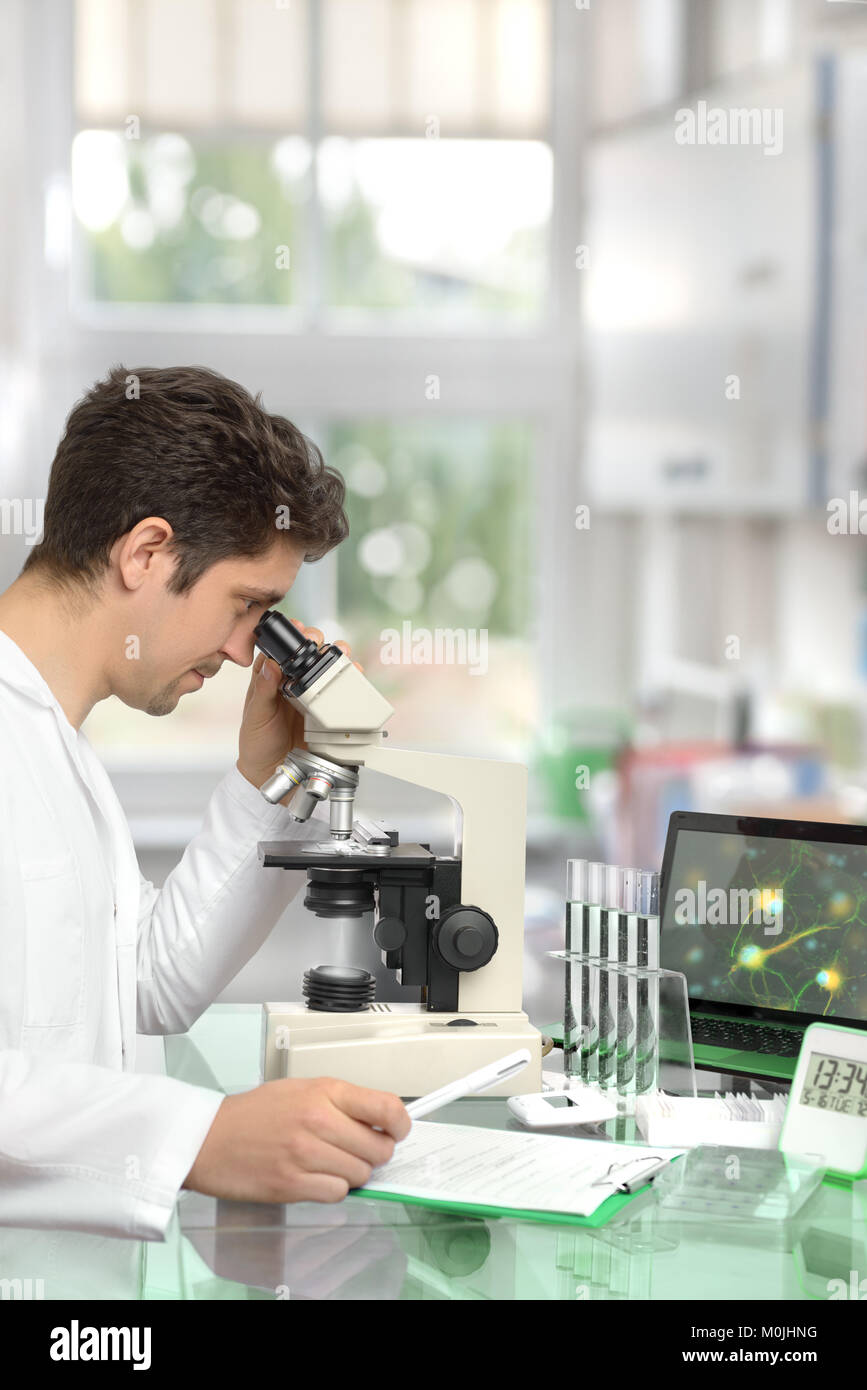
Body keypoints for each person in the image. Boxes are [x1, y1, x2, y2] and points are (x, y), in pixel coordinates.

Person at [0, 365, 411, 1290]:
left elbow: (147, 985)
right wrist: (203, 1137)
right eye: (246, 607)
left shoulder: (52, 741)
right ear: (145, 553)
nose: (240, 652)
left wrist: (270, 777)